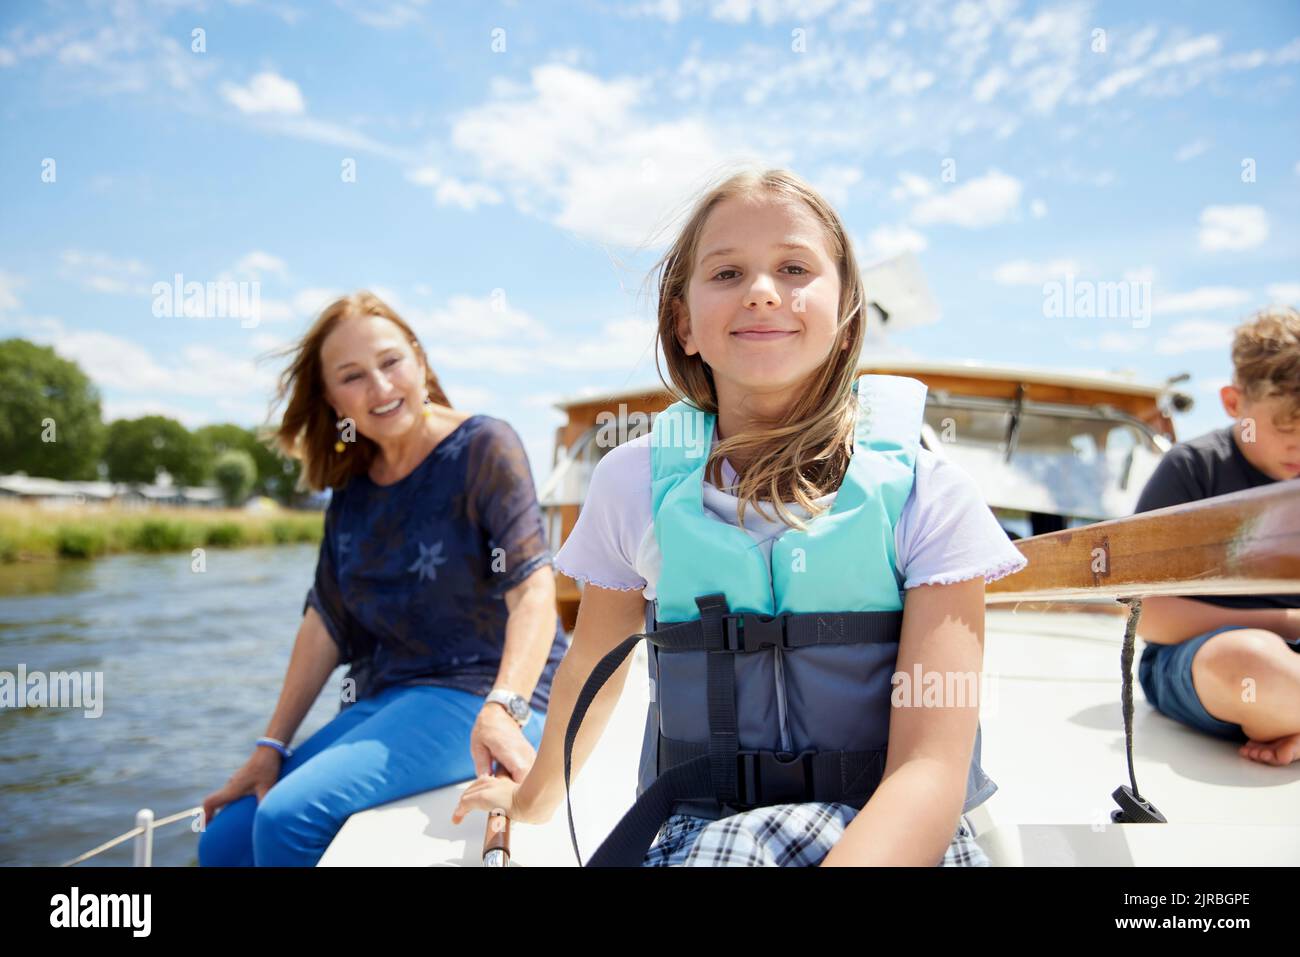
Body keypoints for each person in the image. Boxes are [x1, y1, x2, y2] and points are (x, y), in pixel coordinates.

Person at [451, 169, 1028, 866]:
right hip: (709, 833)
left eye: (793, 267)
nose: (761, 290)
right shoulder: (631, 484)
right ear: (683, 324)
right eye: (727, 272)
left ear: (847, 318)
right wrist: (534, 799)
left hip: (898, 834)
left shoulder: (928, 490)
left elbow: (931, 771)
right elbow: (588, 673)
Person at [198, 291, 567, 866]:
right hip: (392, 694)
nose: (380, 387)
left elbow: (534, 588)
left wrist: (505, 705)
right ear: (331, 398)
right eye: (352, 376)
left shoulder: (485, 447)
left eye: (391, 362)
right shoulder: (351, 488)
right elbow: (325, 620)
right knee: (223, 841)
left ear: (419, 360)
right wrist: (270, 746)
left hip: (489, 695)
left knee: (286, 818)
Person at [1134, 306, 1300, 765]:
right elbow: (1147, 616)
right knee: (1250, 662)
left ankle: (1290, 718)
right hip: (1201, 660)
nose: (1299, 446)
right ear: (1233, 403)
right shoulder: (1194, 469)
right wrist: (1286, 623)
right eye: (1285, 428)